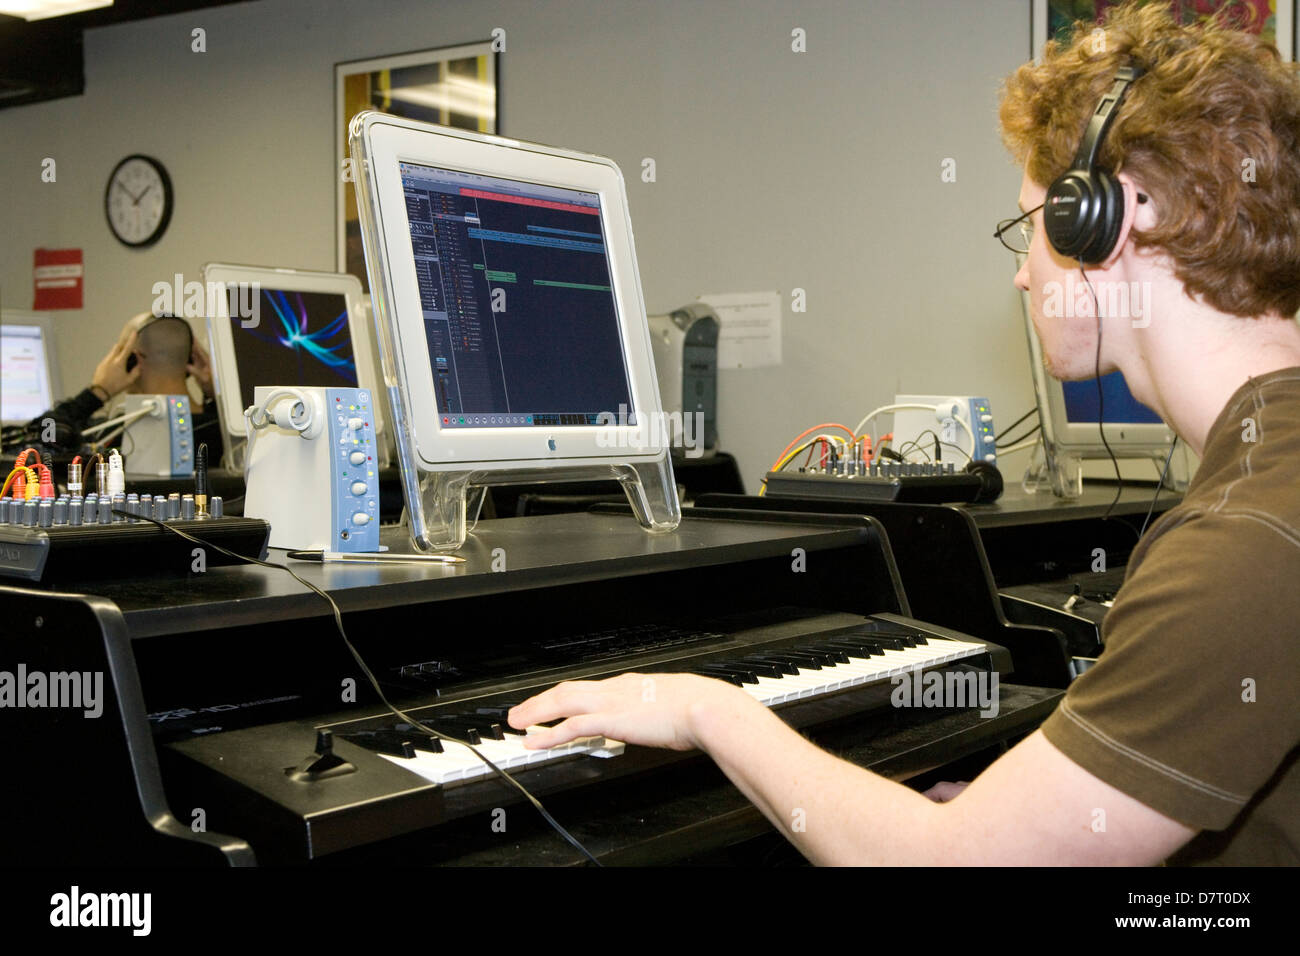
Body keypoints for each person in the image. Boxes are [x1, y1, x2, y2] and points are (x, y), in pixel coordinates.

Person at [506, 2, 1300, 865]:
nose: (1022, 278)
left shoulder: (1243, 541)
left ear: (1107, 223)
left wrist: (710, 709)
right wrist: (1032, 811)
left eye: (1028, 229)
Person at [33, 311, 223, 463]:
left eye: (120, 351)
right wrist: (217, 398)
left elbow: (37, 438)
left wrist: (98, 392)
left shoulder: (118, 437)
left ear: (132, 360)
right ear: (192, 358)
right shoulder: (224, 434)